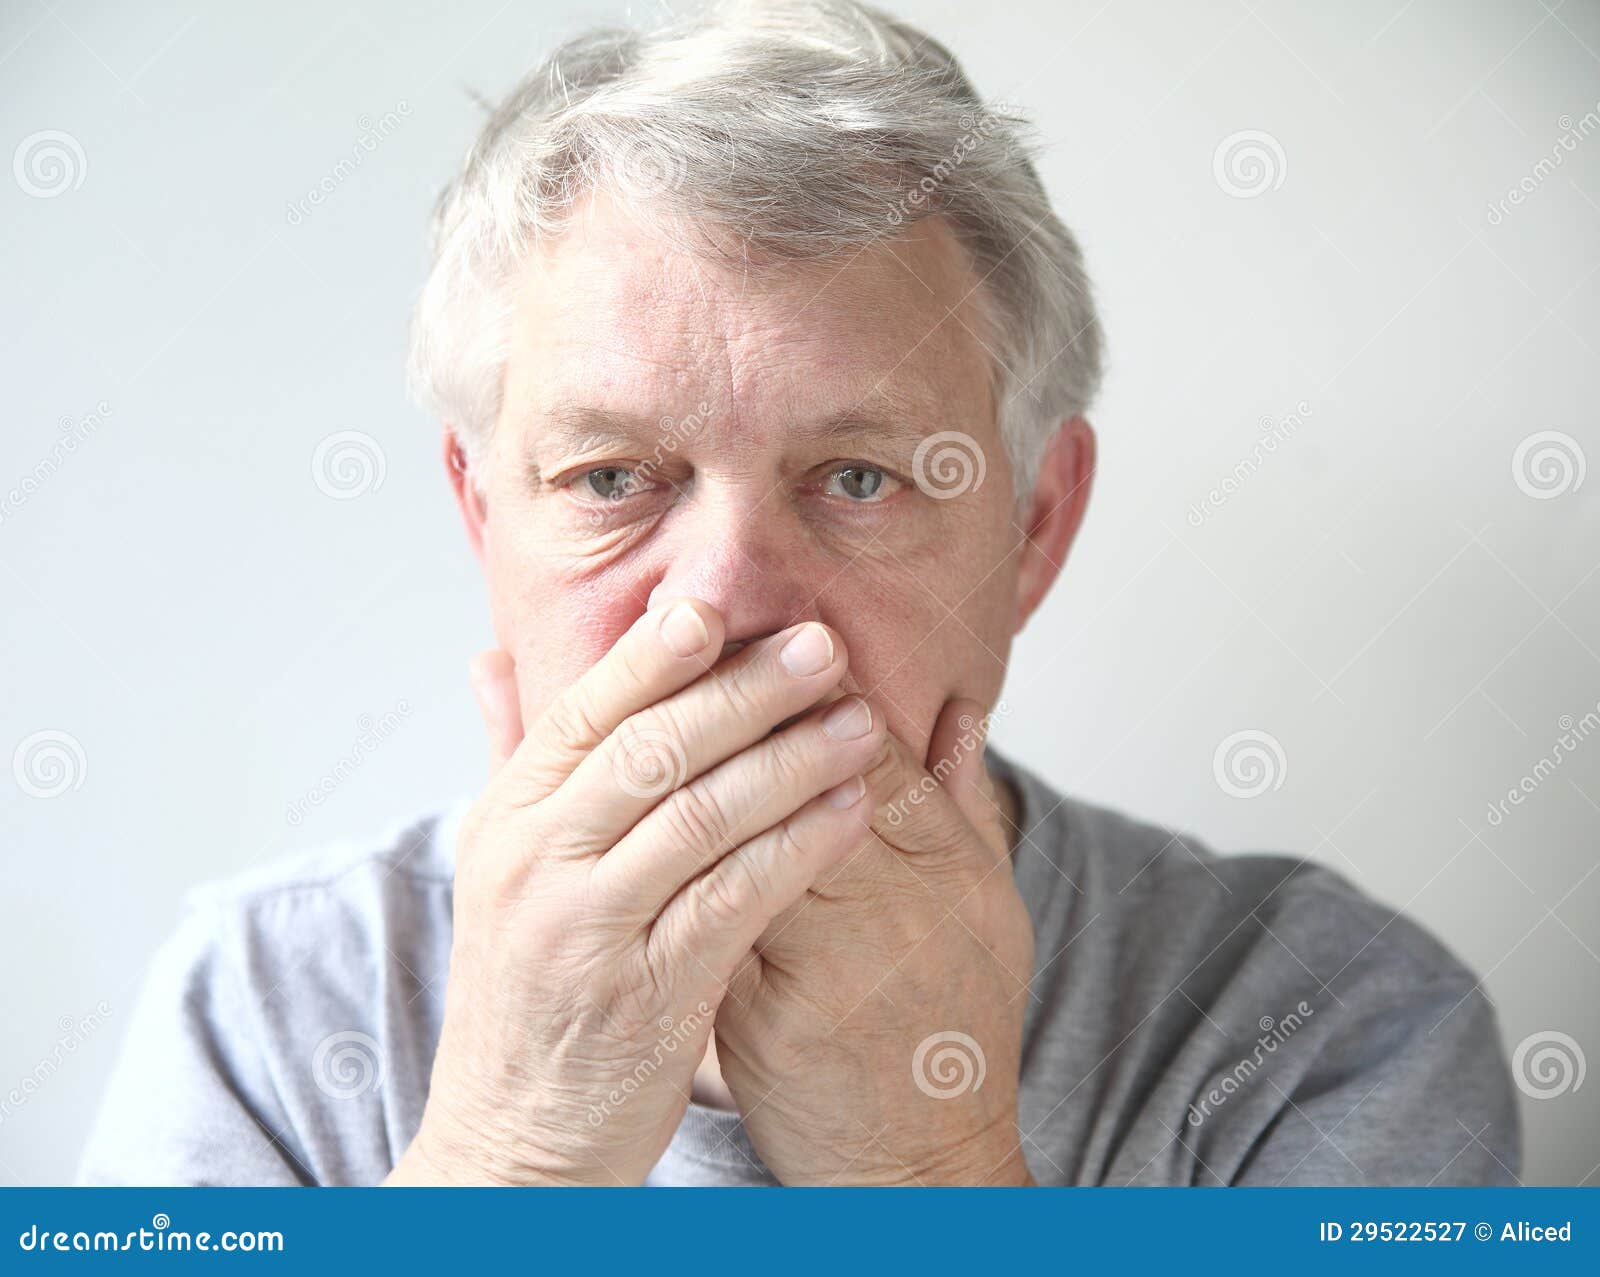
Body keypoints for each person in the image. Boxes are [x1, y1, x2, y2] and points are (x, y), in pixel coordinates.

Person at [81, 0, 1517, 1186]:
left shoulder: (1327, 1029)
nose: (721, 603)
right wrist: (516, 1149)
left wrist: (923, 1158)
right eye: (611, 478)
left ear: (1033, 526)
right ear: (481, 515)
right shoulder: (261, 1015)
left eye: (858, 478)